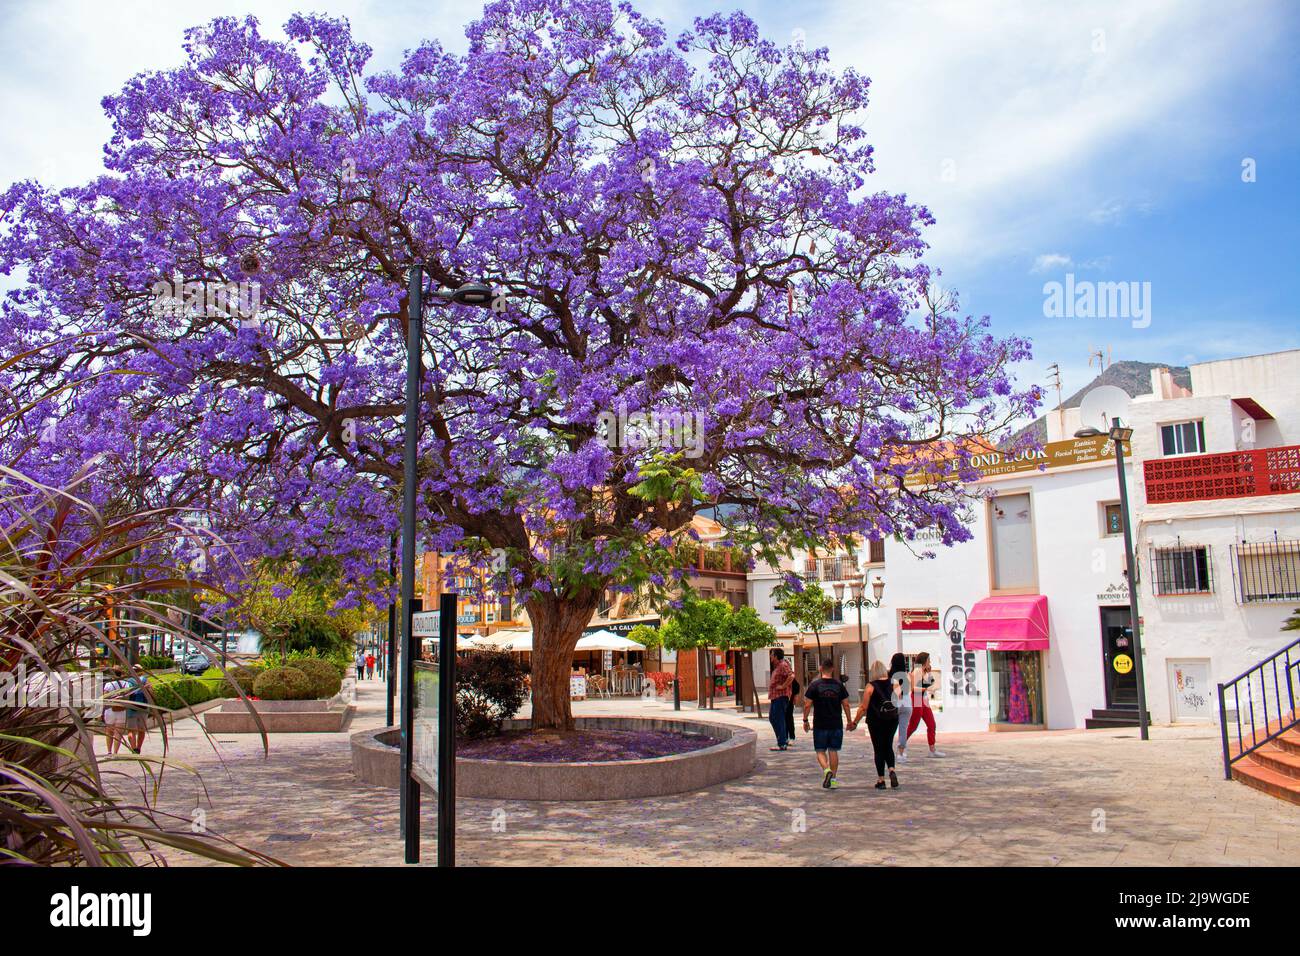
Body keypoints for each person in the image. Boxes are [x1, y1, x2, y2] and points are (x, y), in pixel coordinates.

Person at [850, 660, 901, 790]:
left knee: (878, 749)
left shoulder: (870, 686)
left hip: (876, 721)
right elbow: (898, 700)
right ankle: (891, 770)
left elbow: (863, 707)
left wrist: (855, 722)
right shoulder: (894, 684)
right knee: (888, 745)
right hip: (892, 719)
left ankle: (881, 780)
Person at [802, 657, 852, 789]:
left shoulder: (815, 685)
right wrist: (849, 720)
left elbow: (807, 705)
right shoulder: (839, 685)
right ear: (833, 669)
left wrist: (805, 720)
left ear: (820, 668)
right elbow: (846, 704)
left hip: (820, 724)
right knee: (833, 750)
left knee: (820, 751)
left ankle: (826, 770)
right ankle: (834, 780)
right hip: (836, 723)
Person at [905, 652, 946, 757]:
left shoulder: (924, 670)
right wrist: (925, 688)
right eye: (929, 660)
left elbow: (930, 682)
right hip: (917, 698)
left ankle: (932, 750)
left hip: (923, 698)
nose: (930, 662)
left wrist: (929, 672)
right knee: (913, 726)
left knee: (931, 724)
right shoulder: (918, 670)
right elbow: (915, 688)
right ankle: (901, 745)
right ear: (924, 661)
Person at [767, 648, 794, 751]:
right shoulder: (778, 666)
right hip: (775, 697)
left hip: (780, 697)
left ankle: (782, 743)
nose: (770, 657)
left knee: (778, 719)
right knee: (773, 718)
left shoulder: (783, 665)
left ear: (776, 656)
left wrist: (783, 686)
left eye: (772, 655)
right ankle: (782, 739)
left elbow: (791, 676)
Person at [890, 652, 913, 763]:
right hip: (907, 703)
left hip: (896, 704)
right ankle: (901, 753)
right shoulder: (907, 675)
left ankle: (888, 751)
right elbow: (910, 689)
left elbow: (895, 689)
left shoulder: (892, 675)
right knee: (903, 729)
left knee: (890, 729)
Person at [786, 675, 800, 743]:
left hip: (789, 701)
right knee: (782, 719)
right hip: (781, 700)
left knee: (789, 718)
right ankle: (784, 737)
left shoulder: (789, 676)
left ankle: (791, 737)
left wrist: (795, 697)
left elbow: (797, 686)